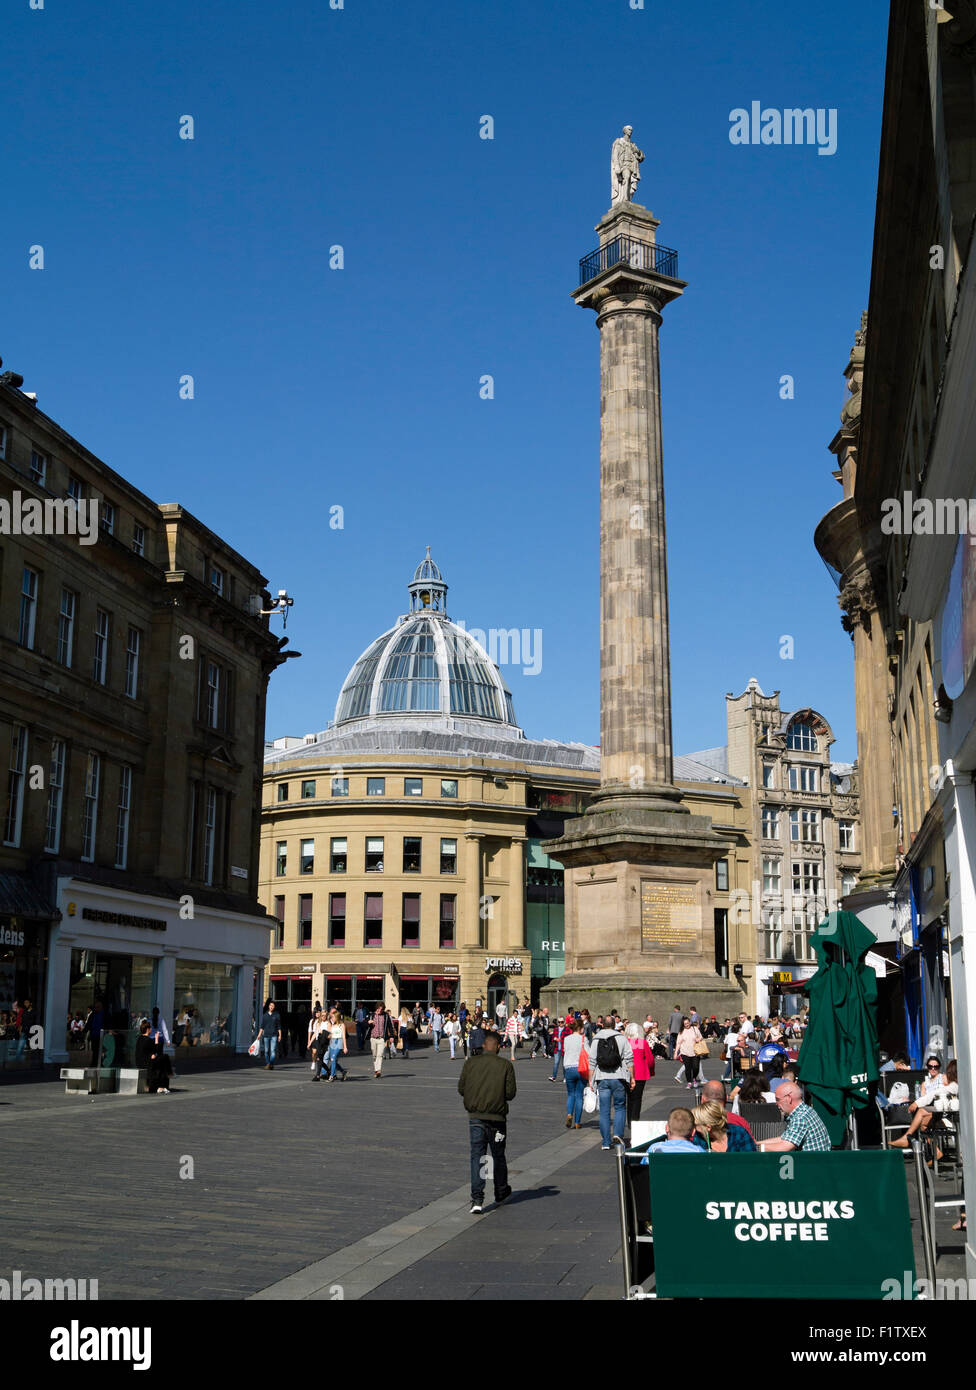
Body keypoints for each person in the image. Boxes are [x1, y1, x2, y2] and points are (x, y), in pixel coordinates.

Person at [458, 1030, 516, 1214]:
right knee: (497, 1155)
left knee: (478, 1156)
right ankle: (500, 1191)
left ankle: (477, 1199)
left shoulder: (471, 1063)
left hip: (475, 1116)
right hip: (497, 1118)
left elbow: (461, 1088)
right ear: (498, 1047)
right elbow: (510, 1094)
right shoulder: (505, 1065)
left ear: (484, 1045)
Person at [588, 1018, 634, 1149]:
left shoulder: (596, 1039)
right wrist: (632, 1078)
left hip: (602, 1078)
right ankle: (618, 1135)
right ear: (614, 1025)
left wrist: (590, 1081)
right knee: (620, 1107)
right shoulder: (621, 1038)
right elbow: (629, 1059)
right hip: (619, 1077)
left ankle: (605, 1142)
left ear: (602, 1024)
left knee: (604, 1111)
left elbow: (592, 1061)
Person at [890, 1057, 953, 1149]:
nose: (933, 1069)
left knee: (920, 1118)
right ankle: (934, 1151)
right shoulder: (925, 1083)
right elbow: (923, 1099)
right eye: (930, 1066)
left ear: (939, 1067)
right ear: (927, 1067)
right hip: (929, 1111)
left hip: (942, 1111)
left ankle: (908, 1139)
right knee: (922, 1121)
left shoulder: (943, 1078)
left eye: (936, 1066)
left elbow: (950, 1092)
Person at [759, 1081, 833, 1152]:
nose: (776, 1103)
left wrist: (755, 1148)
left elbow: (784, 1147)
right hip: (819, 1161)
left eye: (777, 1099)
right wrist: (757, 1143)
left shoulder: (800, 1118)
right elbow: (785, 1139)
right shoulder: (805, 1110)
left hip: (811, 1163)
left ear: (788, 1098)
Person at [692, 1100, 757, 1152]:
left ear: (708, 1127)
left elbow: (751, 1162)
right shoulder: (698, 1138)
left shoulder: (739, 1133)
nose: (694, 1128)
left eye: (695, 1125)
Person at [625, 1021, 654, 1126]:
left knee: (630, 1098)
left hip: (627, 1073)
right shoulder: (642, 1043)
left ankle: (629, 1121)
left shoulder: (625, 1042)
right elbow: (650, 1060)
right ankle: (635, 1120)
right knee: (637, 1098)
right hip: (640, 1074)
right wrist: (651, 1070)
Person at [562, 1019, 586, 1129]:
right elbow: (589, 1054)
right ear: (581, 1028)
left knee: (571, 1094)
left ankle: (569, 1114)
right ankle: (577, 1122)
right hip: (581, 1068)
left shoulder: (566, 1039)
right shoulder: (583, 1039)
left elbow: (566, 1051)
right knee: (579, 1095)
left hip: (568, 1068)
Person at [675, 1016, 704, 1089]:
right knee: (687, 1068)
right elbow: (678, 1043)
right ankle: (689, 1082)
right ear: (683, 1024)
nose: (687, 1025)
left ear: (690, 1022)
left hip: (695, 1052)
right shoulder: (681, 1032)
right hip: (685, 1052)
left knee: (696, 1067)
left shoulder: (695, 1029)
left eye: (688, 1023)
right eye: (685, 1024)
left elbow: (701, 1037)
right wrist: (675, 1053)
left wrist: (698, 1039)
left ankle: (694, 1078)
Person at [256, 999, 282, 1069]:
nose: (271, 1007)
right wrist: (259, 1035)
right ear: (268, 1006)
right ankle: (269, 1063)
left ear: (274, 1007)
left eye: (273, 1006)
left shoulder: (277, 1015)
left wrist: (280, 1035)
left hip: (274, 1035)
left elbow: (279, 1026)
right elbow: (262, 1026)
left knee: (273, 1051)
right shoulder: (265, 1015)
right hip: (266, 1035)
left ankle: (269, 1064)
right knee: (266, 1051)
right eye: (270, 1005)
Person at [370, 1003, 395, 1077]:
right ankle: (376, 1069)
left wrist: (391, 1036)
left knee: (380, 1055)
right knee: (374, 1055)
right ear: (376, 1008)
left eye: (381, 1009)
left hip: (381, 1038)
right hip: (373, 1038)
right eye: (378, 1009)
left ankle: (378, 1071)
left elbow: (390, 1026)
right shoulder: (372, 1015)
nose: (379, 1010)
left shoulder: (386, 1015)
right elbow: (366, 1025)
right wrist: (368, 1023)